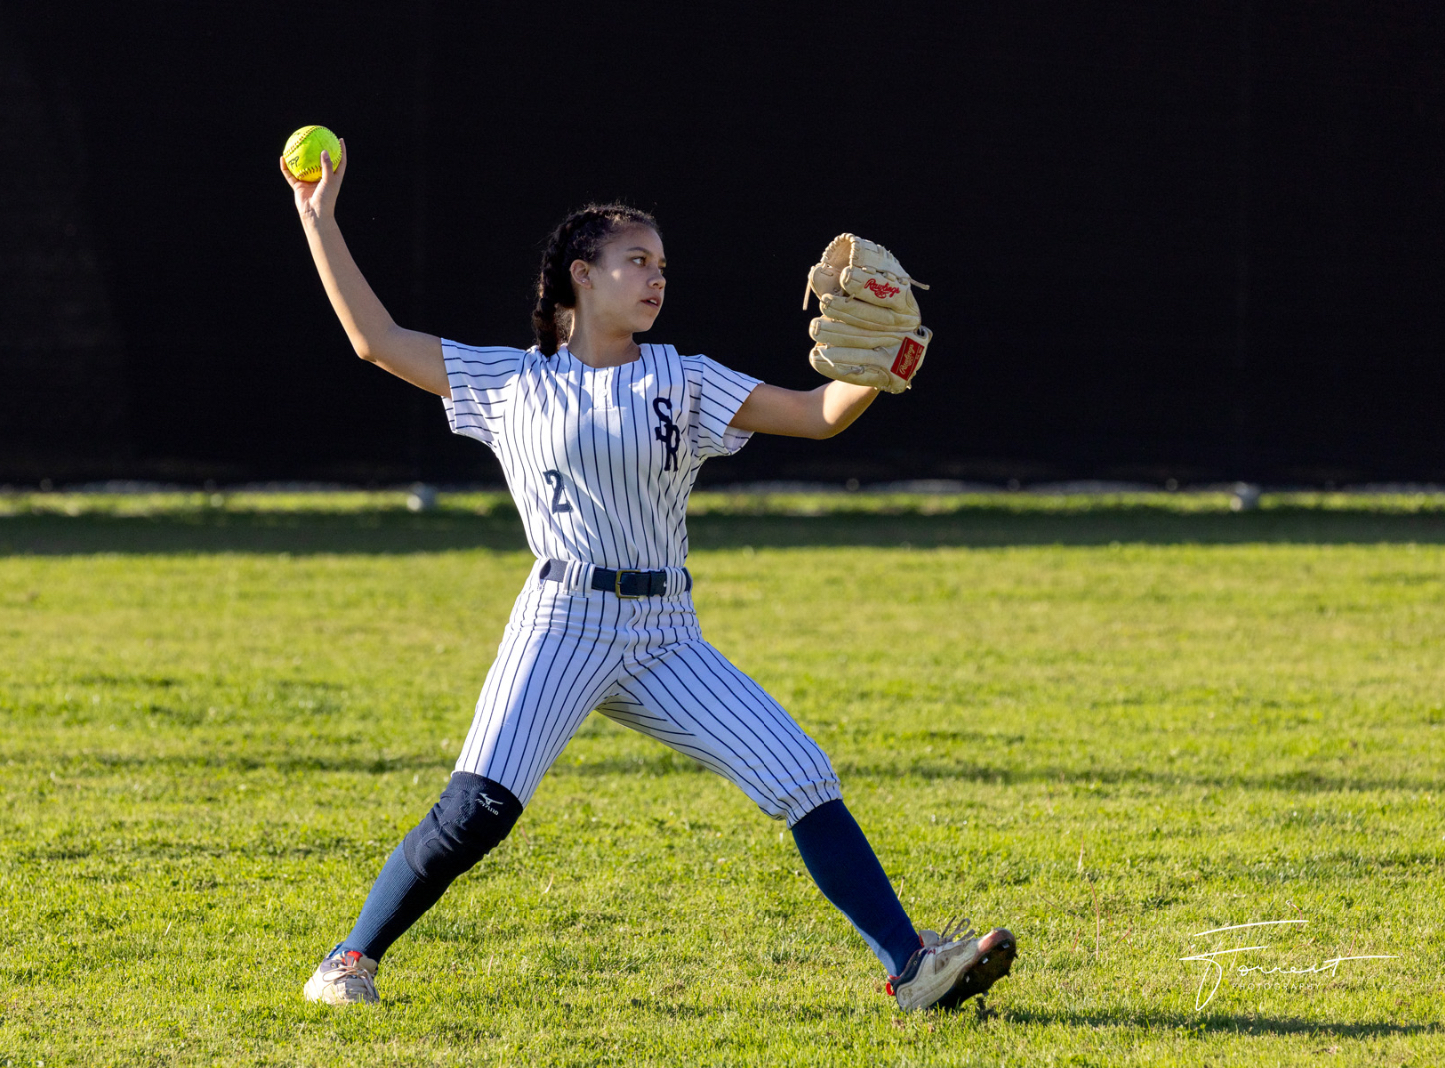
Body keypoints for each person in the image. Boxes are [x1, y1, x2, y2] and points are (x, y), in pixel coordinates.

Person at [279, 142, 1016, 1013]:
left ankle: (911, 968)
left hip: (666, 631)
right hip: (562, 620)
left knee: (802, 774)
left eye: (662, 265)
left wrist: (877, 369)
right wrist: (319, 221)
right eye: (636, 261)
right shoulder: (514, 381)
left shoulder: (686, 379)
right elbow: (376, 341)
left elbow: (814, 415)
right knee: (479, 809)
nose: (655, 278)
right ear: (581, 275)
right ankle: (351, 958)